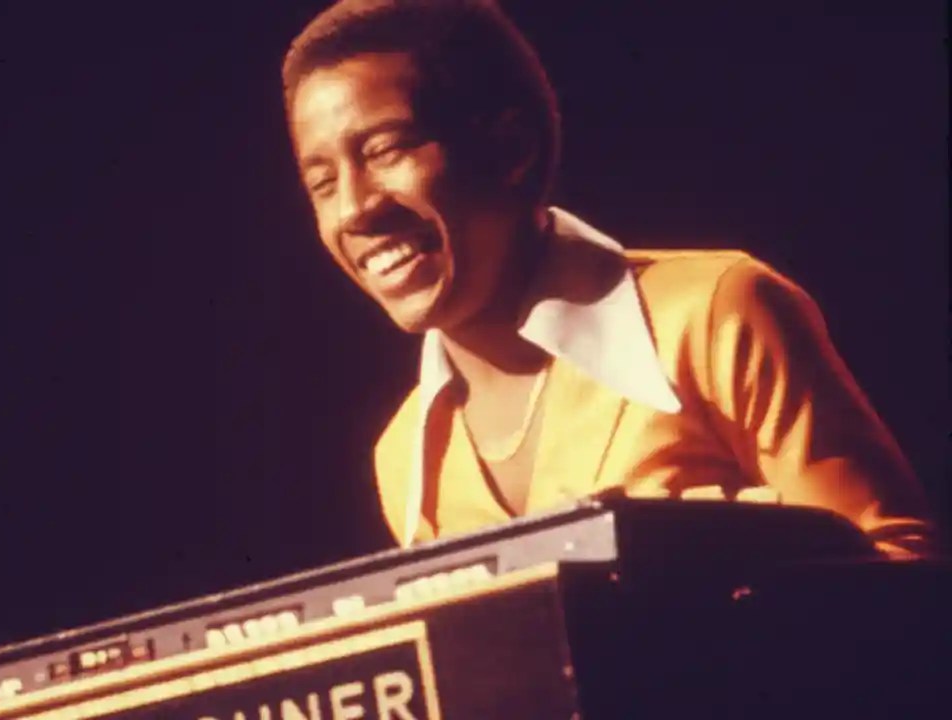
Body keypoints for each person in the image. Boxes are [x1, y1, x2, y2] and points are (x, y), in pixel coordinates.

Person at [280, 0, 934, 557]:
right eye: (323, 182)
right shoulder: (405, 458)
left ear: (511, 148)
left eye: (385, 150)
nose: (357, 208)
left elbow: (897, 569)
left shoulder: (713, 313)